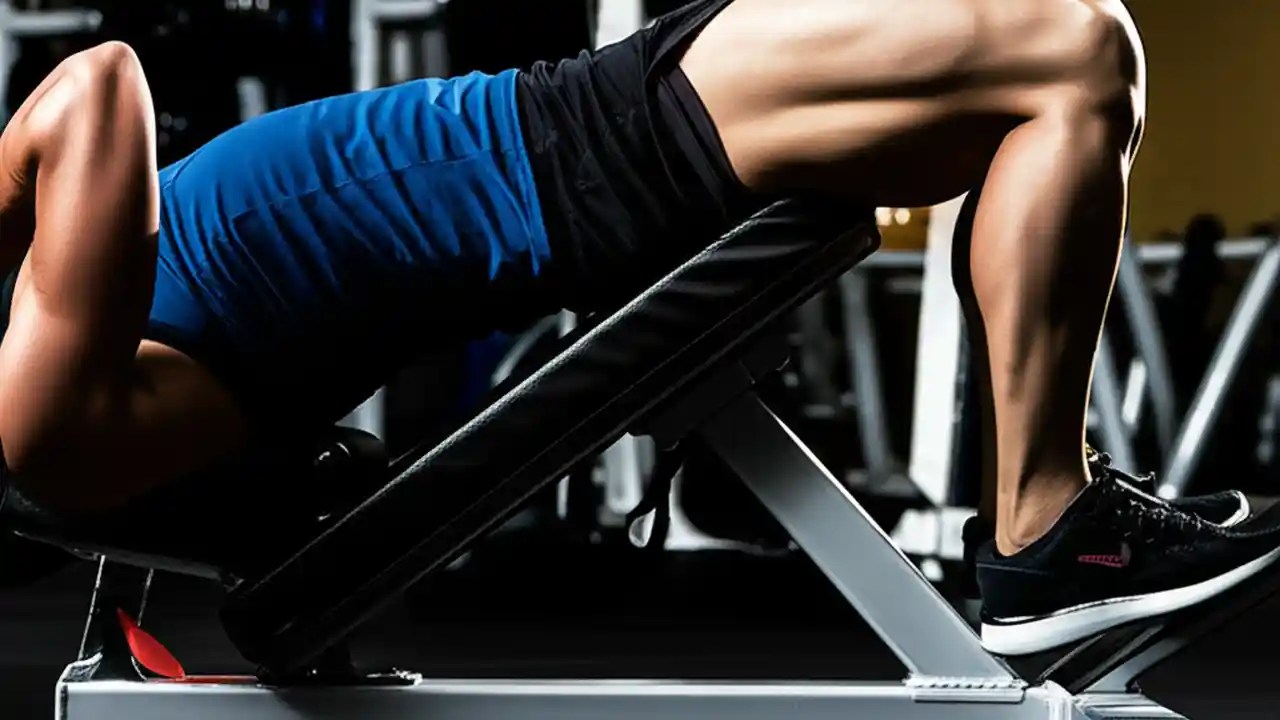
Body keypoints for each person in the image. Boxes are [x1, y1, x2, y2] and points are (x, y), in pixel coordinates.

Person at [0, 0, 1277, 656]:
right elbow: (96, 84)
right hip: (572, 159)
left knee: (1058, 99)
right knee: (1072, 39)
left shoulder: (65, 369)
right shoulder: (40, 419)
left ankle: (1048, 532)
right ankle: (1047, 534)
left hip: (559, 141)